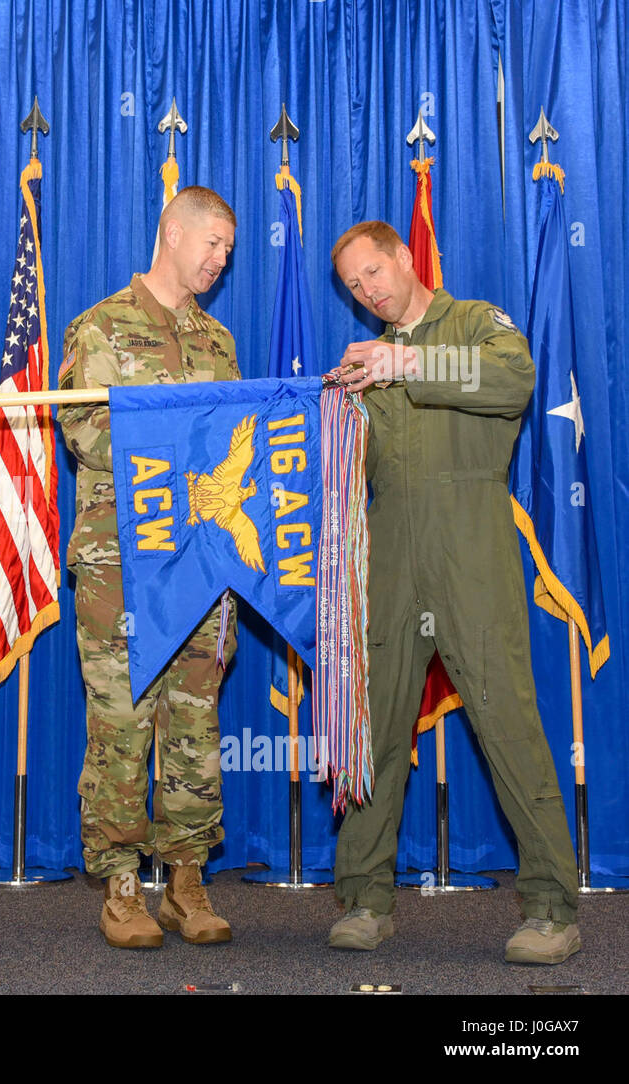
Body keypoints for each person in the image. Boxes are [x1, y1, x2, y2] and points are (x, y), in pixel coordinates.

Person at [328, 220, 580, 964]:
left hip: (471, 544)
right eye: (354, 285)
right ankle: (365, 898)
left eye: (374, 271)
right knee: (375, 730)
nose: (368, 291)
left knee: (507, 721)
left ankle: (550, 907)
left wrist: (402, 363)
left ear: (406, 257)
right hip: (391, 550)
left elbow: (514, 382)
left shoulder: (473, 322)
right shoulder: (360, 363)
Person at [58, 186, 240, 949]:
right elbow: (84, 433)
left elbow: (238, 447)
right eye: (213, 244)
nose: (220, 260)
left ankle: (186, 881)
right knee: (123, 724)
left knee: (196, 720)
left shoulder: (220, 341)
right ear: (172, 232)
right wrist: (172, 434)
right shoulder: (99, 327)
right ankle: (122, 885)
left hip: (201, 561)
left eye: (229, 250)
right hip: (119, 566)